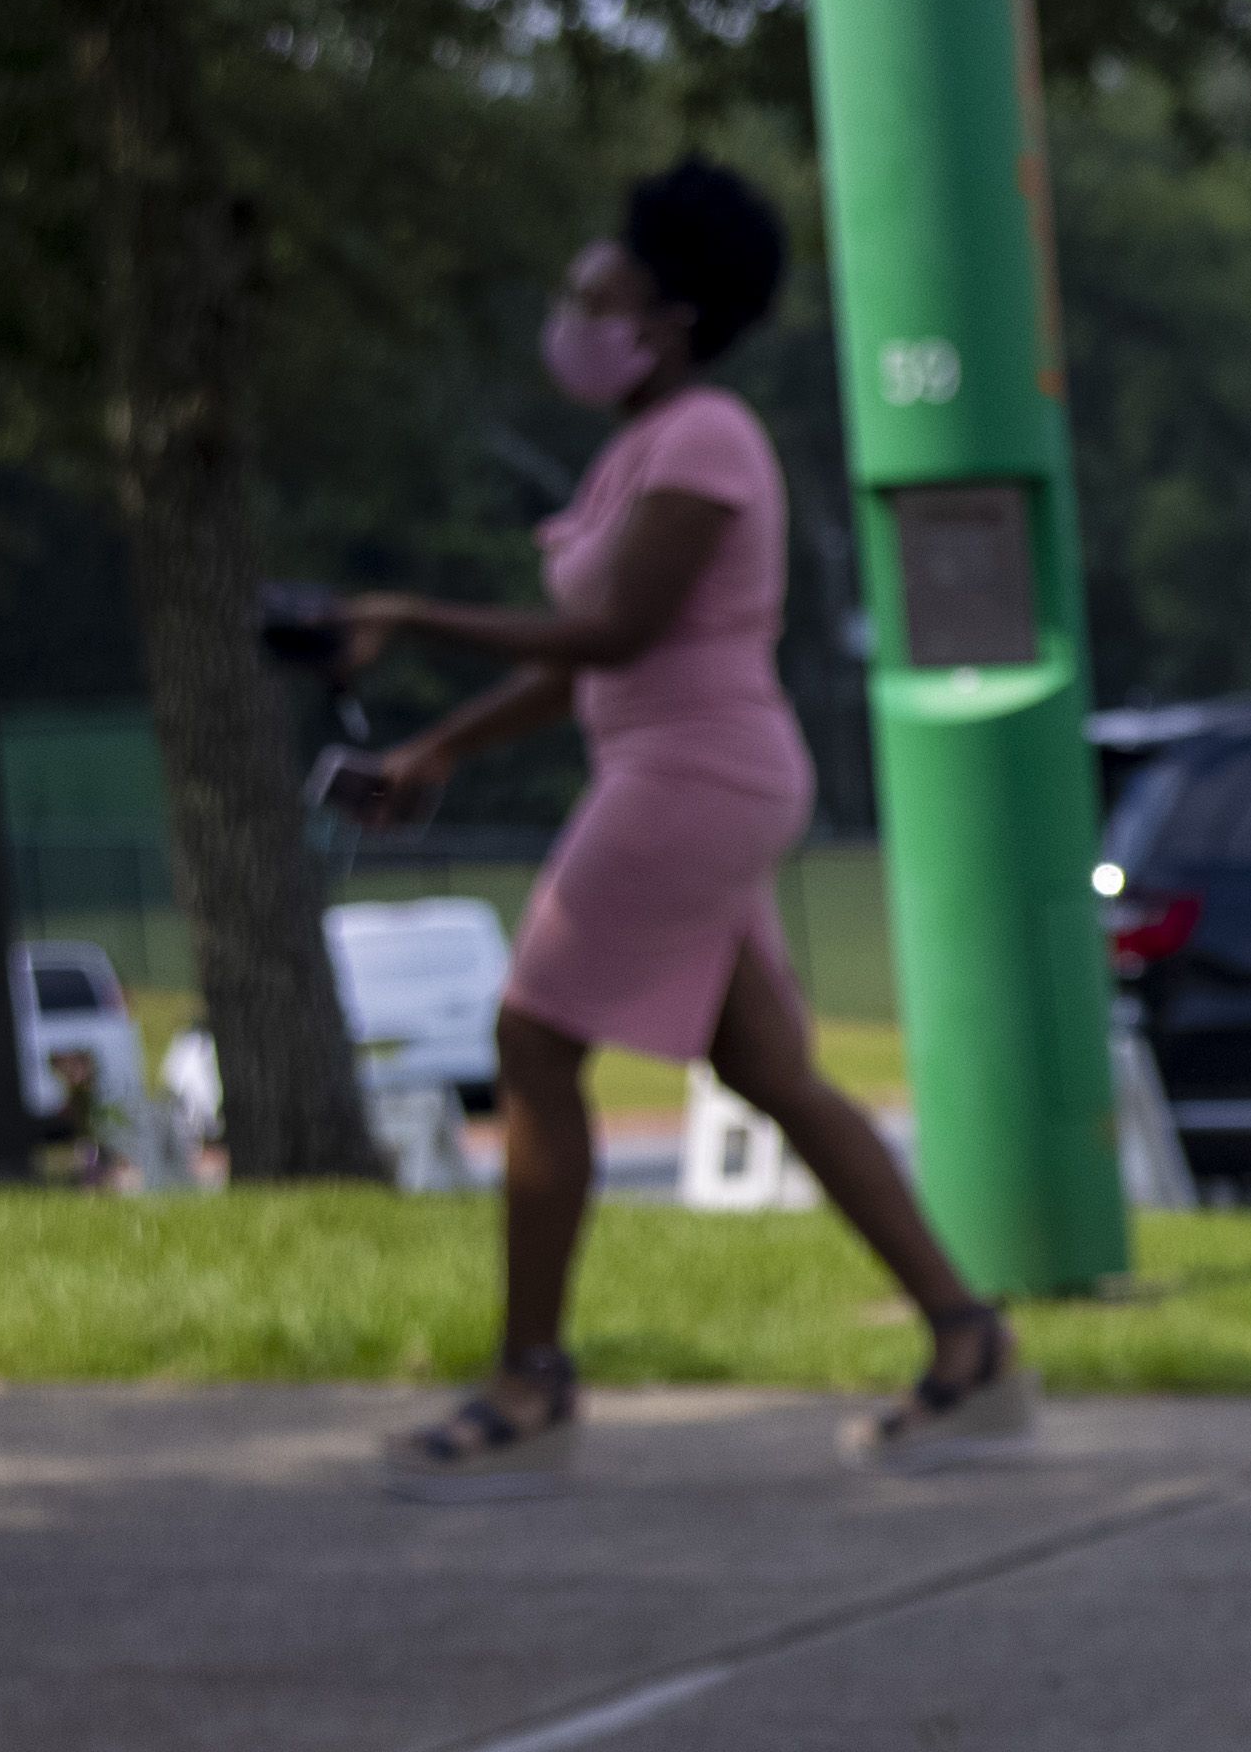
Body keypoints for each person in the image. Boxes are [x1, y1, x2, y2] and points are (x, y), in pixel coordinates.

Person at [330, 155, 1028, 1483]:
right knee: (775, 1078)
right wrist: (434, 750)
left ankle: (531, 1378)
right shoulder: (645, 449)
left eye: (598, 292)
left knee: (531, 1040)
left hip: (694, 778)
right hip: (680, 768)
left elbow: (619, 629)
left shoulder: (707, 438)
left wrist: (411, 616)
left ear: (672, 318)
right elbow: (586, 661)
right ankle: (969, 1343)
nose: (572, 313)